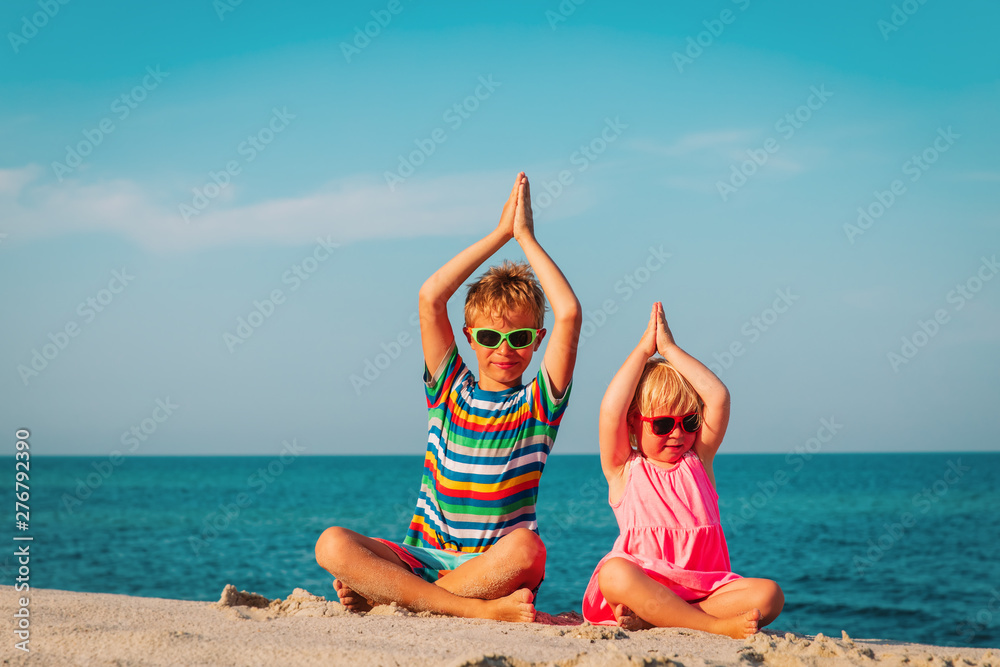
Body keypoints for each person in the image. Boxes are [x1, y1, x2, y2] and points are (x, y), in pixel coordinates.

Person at [315, 172, 581, 622]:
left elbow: (569, 312)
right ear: (469, 336)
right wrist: (500, 234)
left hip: (492, 567)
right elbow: (431, 297)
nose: (504, 349)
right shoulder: (449, 390)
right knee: (331, 543)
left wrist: (526, 238)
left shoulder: (538, 405)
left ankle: (399, 597)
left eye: (519, 337)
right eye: (490, 336)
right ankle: (469, 610)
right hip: (422, 556)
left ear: (537, 340)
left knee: (529, 549)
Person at [582, 302, 783, 638]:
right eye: (662, 424)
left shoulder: (698, 460)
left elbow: (717, 398)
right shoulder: (624, 468)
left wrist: (670, 350)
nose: (677, 433)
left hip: (705, 592)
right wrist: (643, 351)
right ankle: (711, 626)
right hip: (646, 588)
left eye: (688, 422)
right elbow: (610, 411)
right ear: (633, 423)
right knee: (614, 573)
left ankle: (662, 619)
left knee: (770, 595)